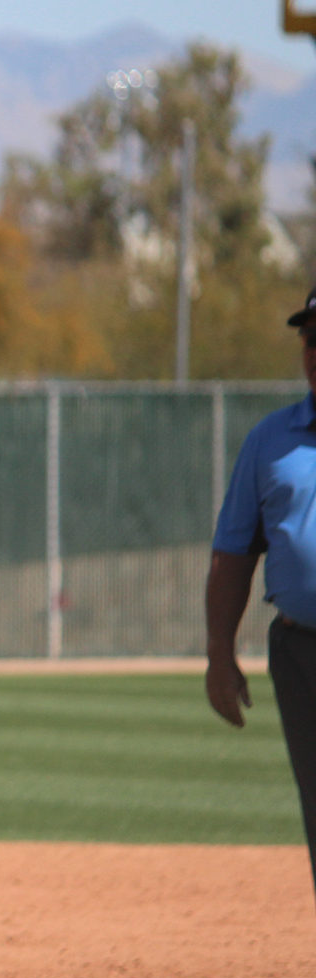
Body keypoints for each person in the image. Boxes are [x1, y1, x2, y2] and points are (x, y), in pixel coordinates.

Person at [205, 284, 316, 902]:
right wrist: (219, 654)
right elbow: (233, 555)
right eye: (310, 339)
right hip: (301, 654)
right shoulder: (270, 441)